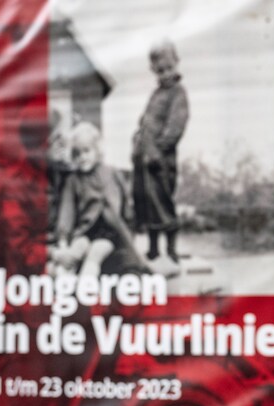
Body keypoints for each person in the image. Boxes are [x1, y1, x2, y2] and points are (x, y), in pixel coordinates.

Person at [50, 122, 146, 277]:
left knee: (96, 252)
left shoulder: (110, 173)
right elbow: (67, 211)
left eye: (86, 151)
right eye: (77, 154)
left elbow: (124, 206)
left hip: (109, 231)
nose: (82, 157)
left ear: (97, 151)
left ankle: (86, 284)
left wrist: (129, 229)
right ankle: (66, 277)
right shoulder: (73, 179)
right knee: (77, 248)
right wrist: (63, 241)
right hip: (84, 230)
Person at [132, 39, 189, 263]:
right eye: (160, 70)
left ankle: (172, 251)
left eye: (169, 68)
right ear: (154, 71)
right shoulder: (156, 94)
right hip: (144, 158)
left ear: (176, 63)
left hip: (161, 160)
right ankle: (153, 249)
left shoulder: (178, 93)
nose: (165, 74)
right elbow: (145, 122)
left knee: (162, 200)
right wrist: (138, 142)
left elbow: (176, 124)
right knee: (146, 201)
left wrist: (159, 149)